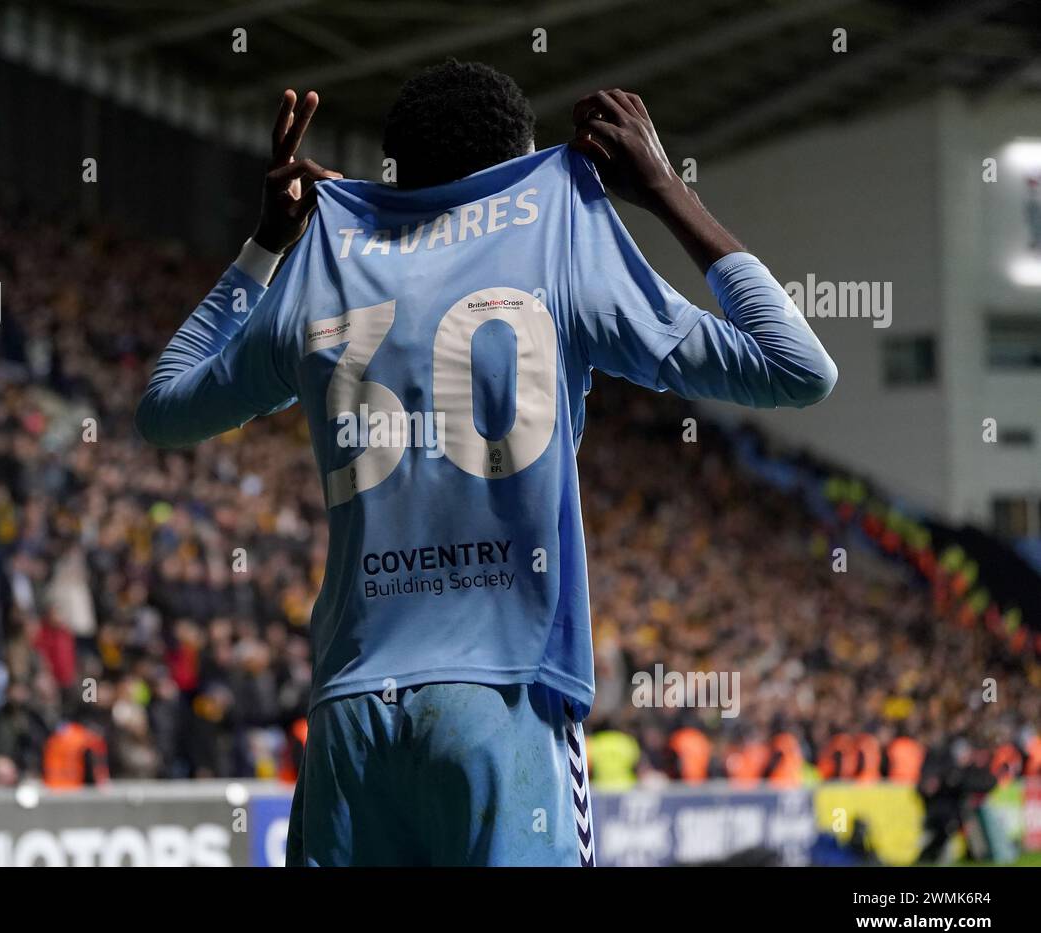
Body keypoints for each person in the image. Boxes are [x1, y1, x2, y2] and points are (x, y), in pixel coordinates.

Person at [137, 60, 836, 866]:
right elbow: (798, 367)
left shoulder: (318, 267)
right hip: (503, 707)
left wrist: (264, 244)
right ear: (521, 162)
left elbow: (163, 408)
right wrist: (668, 191)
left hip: (352, 720)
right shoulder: (557, 239)